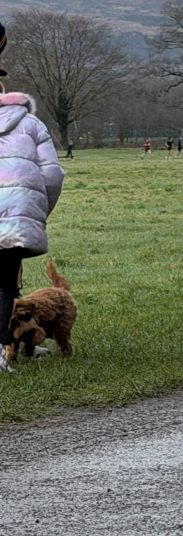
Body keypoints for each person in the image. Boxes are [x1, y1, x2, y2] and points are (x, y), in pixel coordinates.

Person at [0, 50, 65, 373]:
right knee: (5, 284)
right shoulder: (30, 124)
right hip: (16, 223)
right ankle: (2, 351)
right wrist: (35, 213)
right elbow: (53, 175)